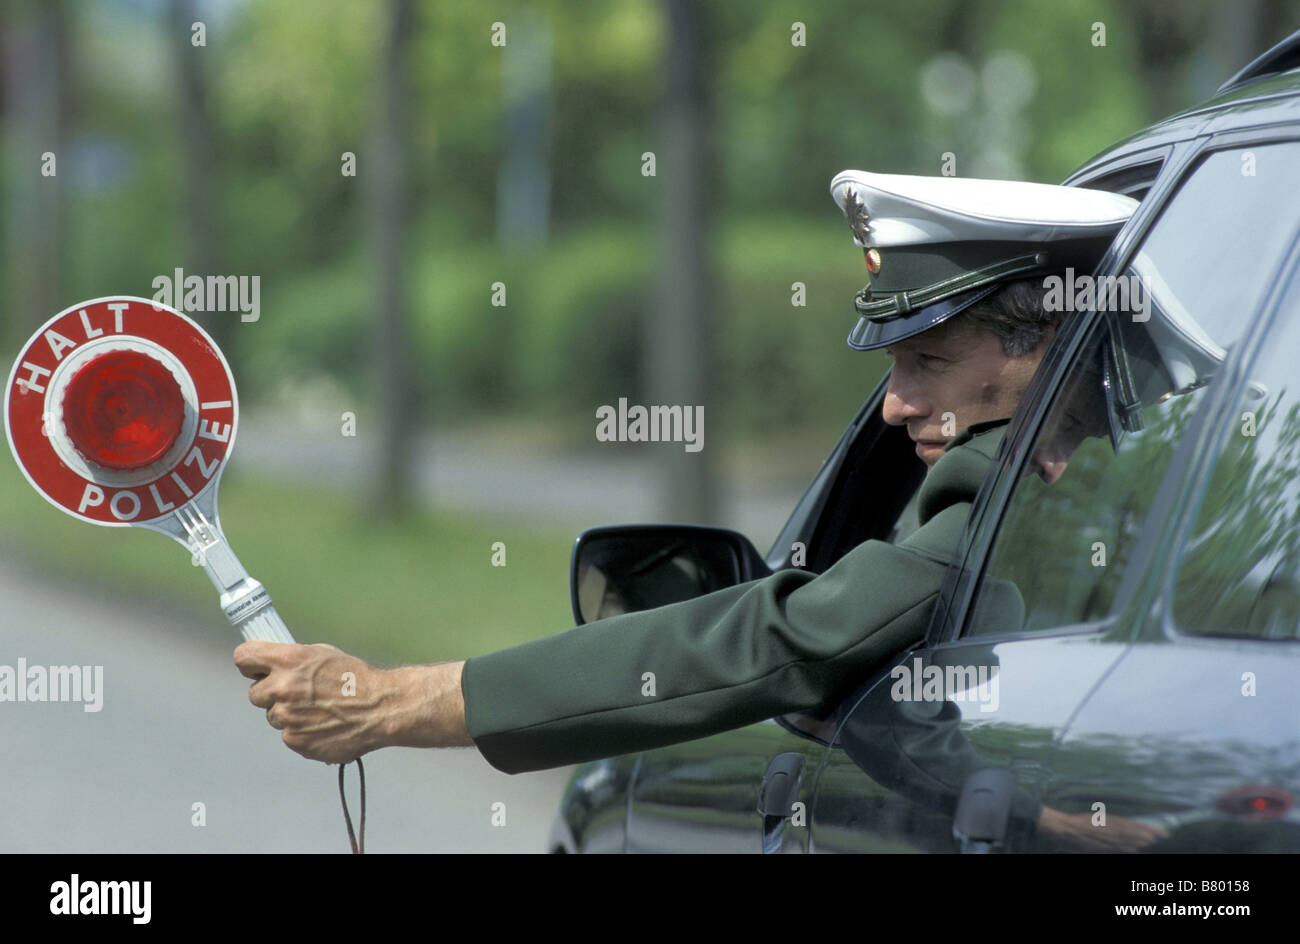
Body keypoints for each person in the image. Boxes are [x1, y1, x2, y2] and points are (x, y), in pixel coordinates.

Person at [234, 170, 1138, 777]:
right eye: (891, 368)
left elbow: (788, 640)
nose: (896, 406)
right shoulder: (1140, 464)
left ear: (1052, 346)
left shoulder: (1011, 490)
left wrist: (398, 700)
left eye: (929, 363)